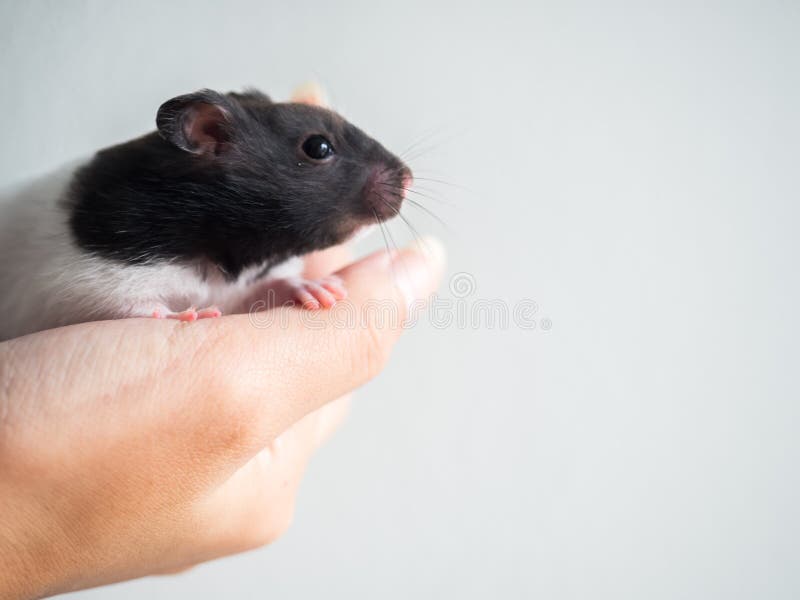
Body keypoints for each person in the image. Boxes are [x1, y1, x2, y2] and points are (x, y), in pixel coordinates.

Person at [0, 239, 445, 599]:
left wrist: (287, 292)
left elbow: (243, 292)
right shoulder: (128, 232)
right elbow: (80, 283)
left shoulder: (256, 251)